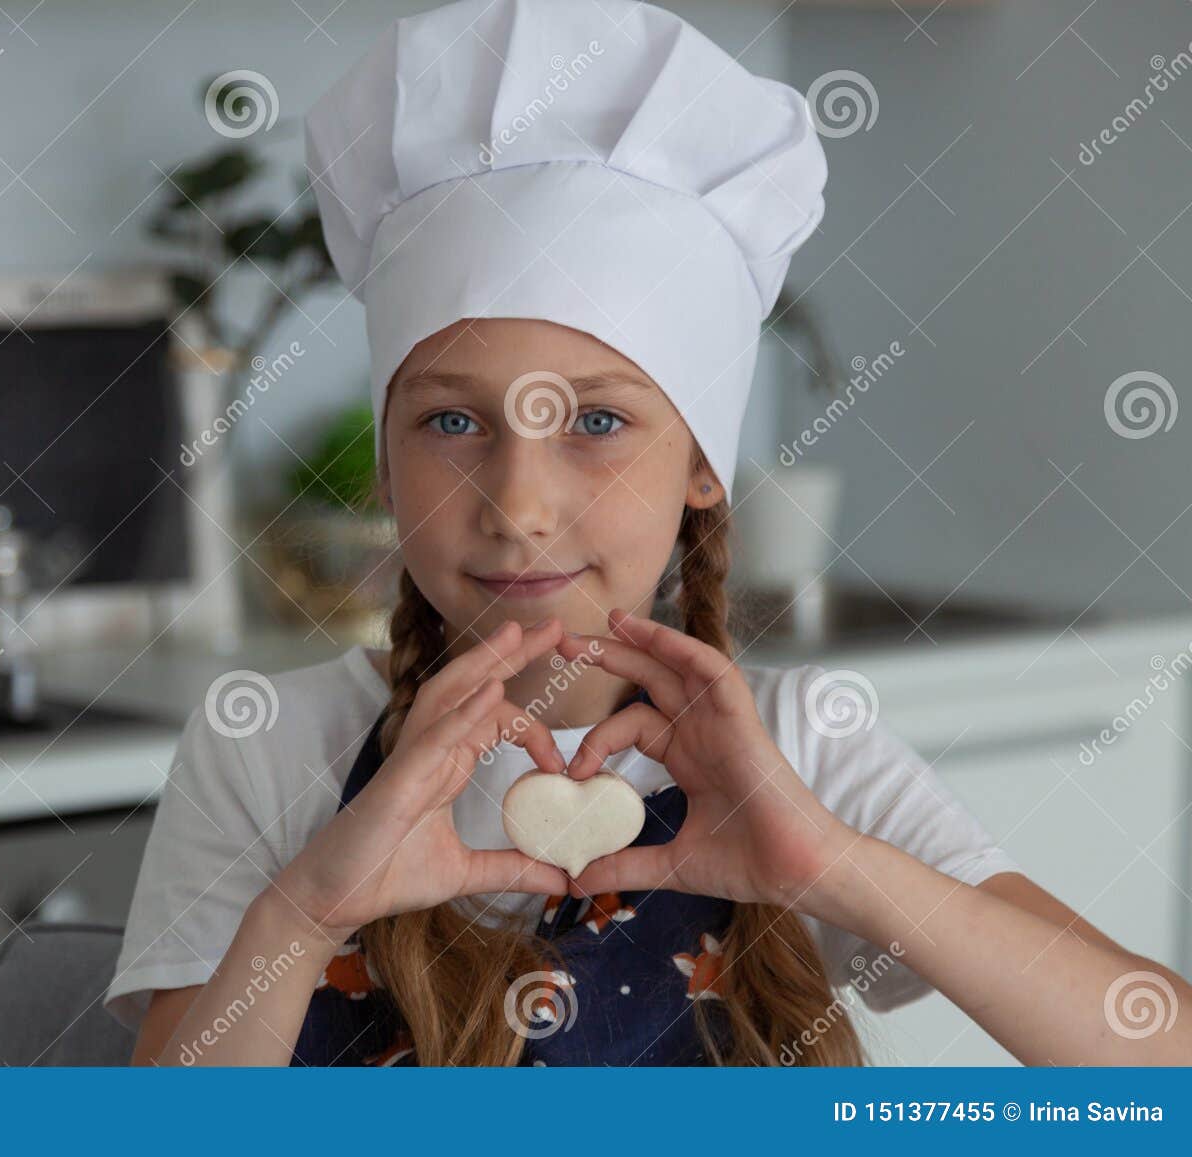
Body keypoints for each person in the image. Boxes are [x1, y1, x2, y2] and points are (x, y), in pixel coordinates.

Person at [105, 0, 1192, 1065]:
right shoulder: (267, 747)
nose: (518, 505)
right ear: (385, 464)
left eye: (596, 420)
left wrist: (829, 867)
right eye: (450, 420)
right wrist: (302, 913)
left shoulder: (804, 744)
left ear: (702, 466)